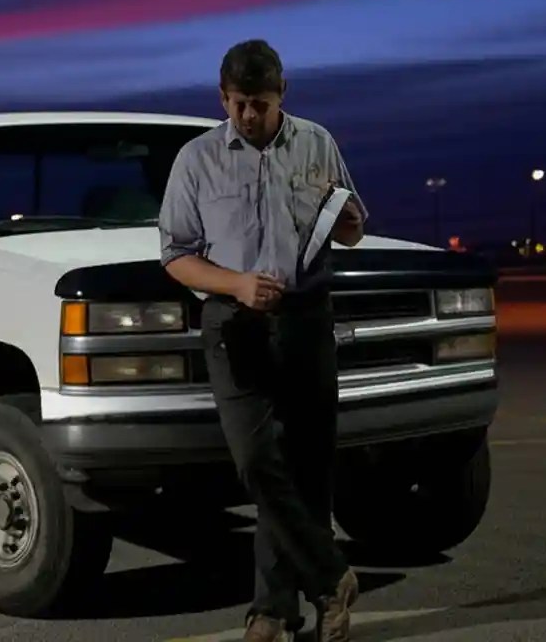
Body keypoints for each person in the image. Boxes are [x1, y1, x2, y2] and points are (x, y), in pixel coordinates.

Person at [157, 39, 367, 642]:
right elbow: (175, 255)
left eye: (261, 104)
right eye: (239, 103)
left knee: (308, 468)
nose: (249, 115)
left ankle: (275, 613)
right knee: (256, 461)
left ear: (283, 95)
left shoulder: (317, 143)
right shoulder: (196, 160)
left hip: (306, 320)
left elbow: (351, 228)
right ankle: (332, 577)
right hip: (234, 324)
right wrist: (238, 285)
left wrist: (351, 224)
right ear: (223, 98)